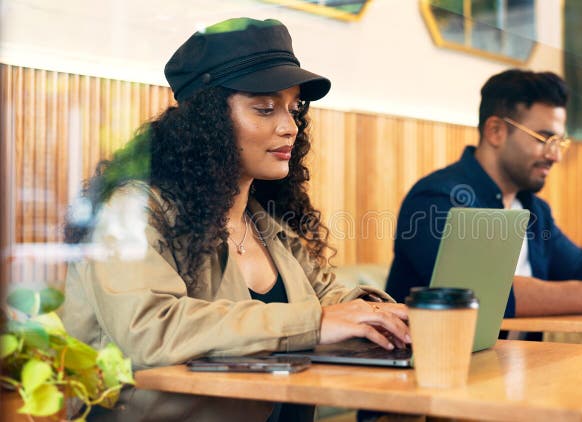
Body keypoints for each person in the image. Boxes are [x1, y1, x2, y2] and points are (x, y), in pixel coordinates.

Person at [62, 17, 409, 422]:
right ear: (206, 122)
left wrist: (395, 318)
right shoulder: (132, 212)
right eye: (265, 108)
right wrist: (314, 323)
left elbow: (332, 298)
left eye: (294, 108)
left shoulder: (266, 224)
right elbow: (152, 328)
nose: (290, 126)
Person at [385, 69, 582, 324]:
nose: (555, 155)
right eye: (544, 139)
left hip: (523, 370)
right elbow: (482, 294)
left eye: (559, 141)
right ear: (496, 132)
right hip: (438, 372)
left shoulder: (533, 209)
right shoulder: (437, 199)